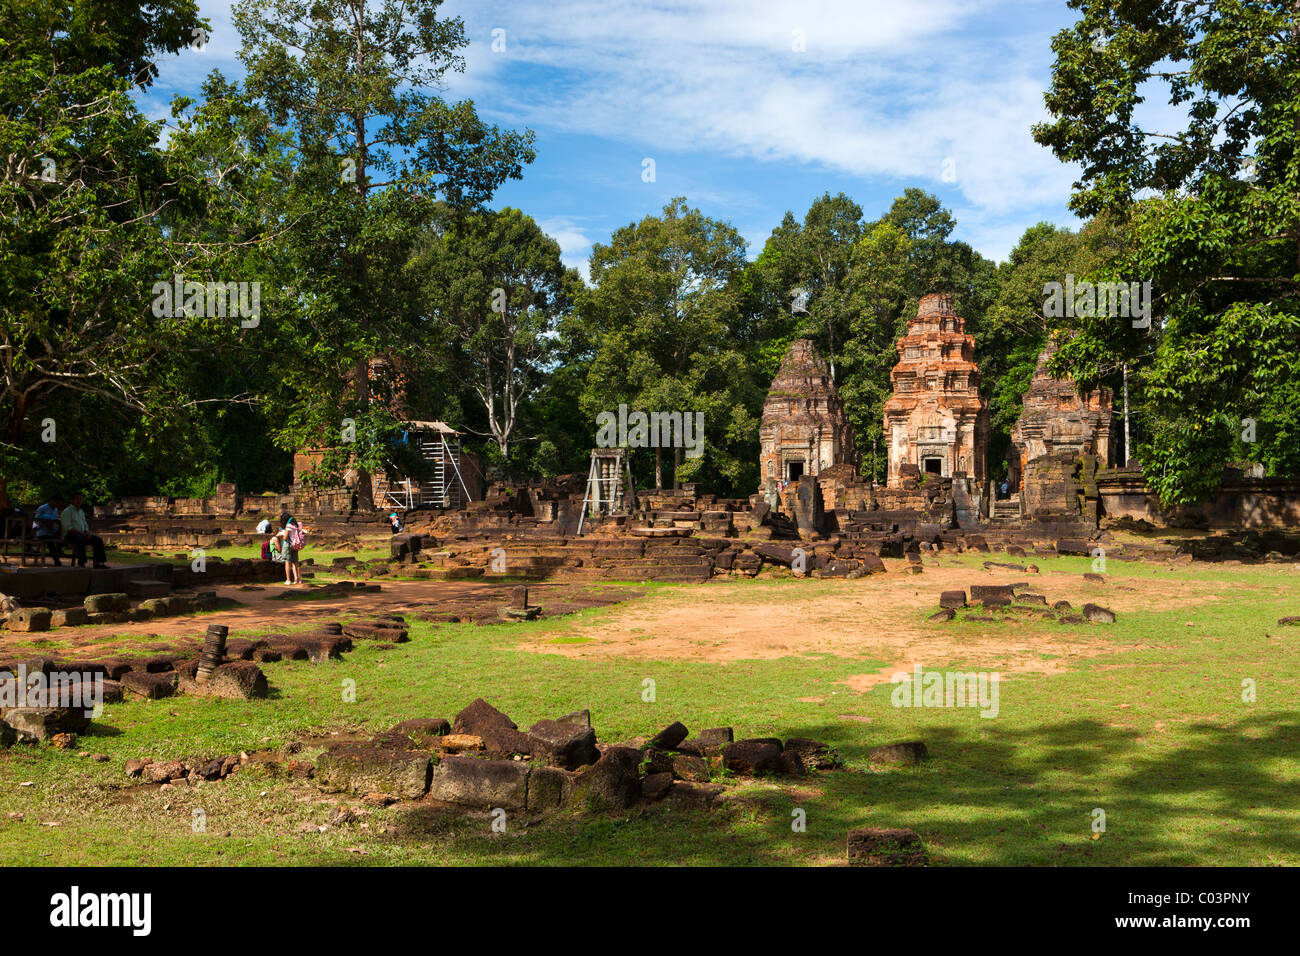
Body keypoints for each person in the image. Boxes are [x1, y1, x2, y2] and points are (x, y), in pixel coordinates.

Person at [60, 492, 108, 568]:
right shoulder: (67, 511)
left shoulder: (81, 512)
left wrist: (86, 532)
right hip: (69, 534)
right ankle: (81, 563)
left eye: (81, 499)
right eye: (77, 499)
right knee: (80, 539)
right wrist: (81, 534)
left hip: (82, 534)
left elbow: (85, 525)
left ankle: (99, 563)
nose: (79, 501)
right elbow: (67, 527)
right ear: (72, 500)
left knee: (98, 540)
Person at [32, 493, 64, 566]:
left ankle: (59, 550)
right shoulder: (42, 508)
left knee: (62, 534)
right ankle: (57, 560)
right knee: (50, 542)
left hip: (51, 531)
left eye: (59, 503)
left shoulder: (55, 509)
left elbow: (55, 520)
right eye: (57, 503)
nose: (58, 505)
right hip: (41, 531)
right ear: (52, 501)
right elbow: (37, 521)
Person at [282, 518, 307, 585]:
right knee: (296, 563)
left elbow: (285, 537)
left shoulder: (289, 526)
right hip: (296, 545)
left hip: (289, 545)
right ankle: (298, 579)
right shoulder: (296, 526)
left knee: (287, 562)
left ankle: (288, 580)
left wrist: (281, 535)